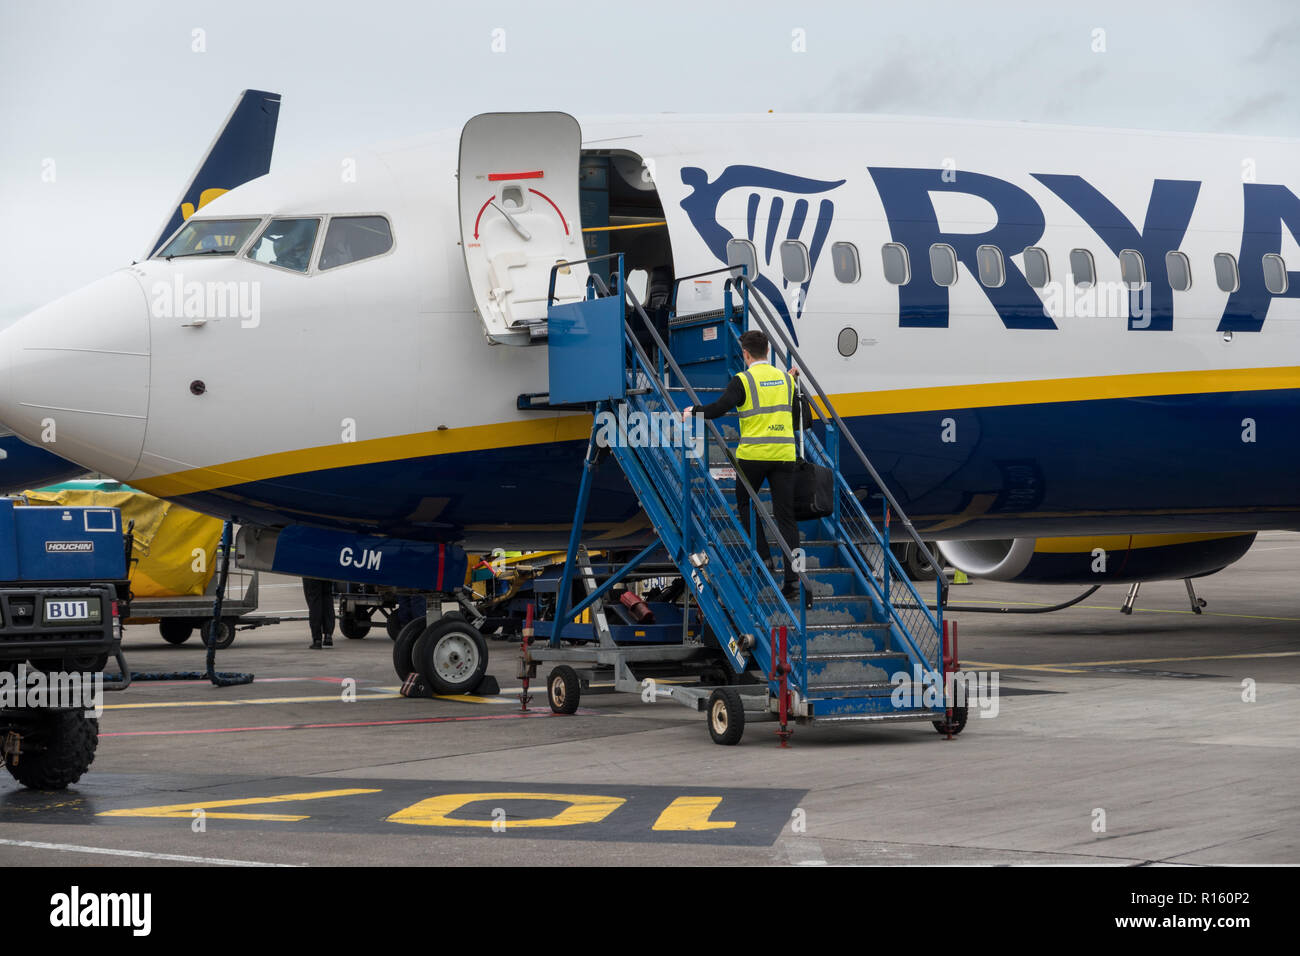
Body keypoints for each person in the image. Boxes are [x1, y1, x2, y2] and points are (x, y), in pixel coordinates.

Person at [683, 329, 805, 602]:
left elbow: (719, 408)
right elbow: (794, 415)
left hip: (754, 457)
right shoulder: (786, 379)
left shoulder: (743, 380)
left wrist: (694, 412)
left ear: (746, 354)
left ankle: (763, 559)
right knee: (787, 518)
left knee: (746, 503)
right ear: (767, 352)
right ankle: (795, 581)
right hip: (785, 454)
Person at [302, 577, 336, 649]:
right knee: (327, 599)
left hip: (311, 571)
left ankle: (317, 639)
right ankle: (328, 635)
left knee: (314, 601)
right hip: (326, 570)